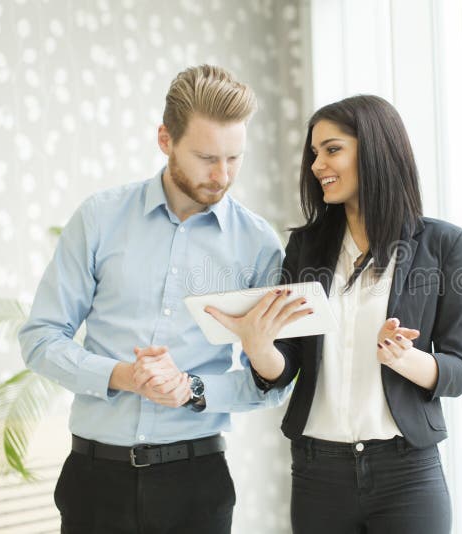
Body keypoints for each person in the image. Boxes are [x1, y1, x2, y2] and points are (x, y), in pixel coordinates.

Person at [18, 64, 292, 534]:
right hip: (94, 482)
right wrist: (124, 376)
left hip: (197, 486)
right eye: (207, 157)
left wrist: (192, 388)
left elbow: (273, 381)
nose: (222, 175)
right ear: (165, 139)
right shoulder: (100, 219)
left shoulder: (257, 243)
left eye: (234, 158)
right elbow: (41, 338)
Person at [206, 94, 462, 533]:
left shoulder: (441, 245)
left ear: (375, 149)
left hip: (407, 472)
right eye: (314, 153)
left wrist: (405, 358)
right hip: (318, 473)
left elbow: (459, 370)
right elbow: (284, 366)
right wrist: (258, 347)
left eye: (332, 149)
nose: (316, 165)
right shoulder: (306, 247)